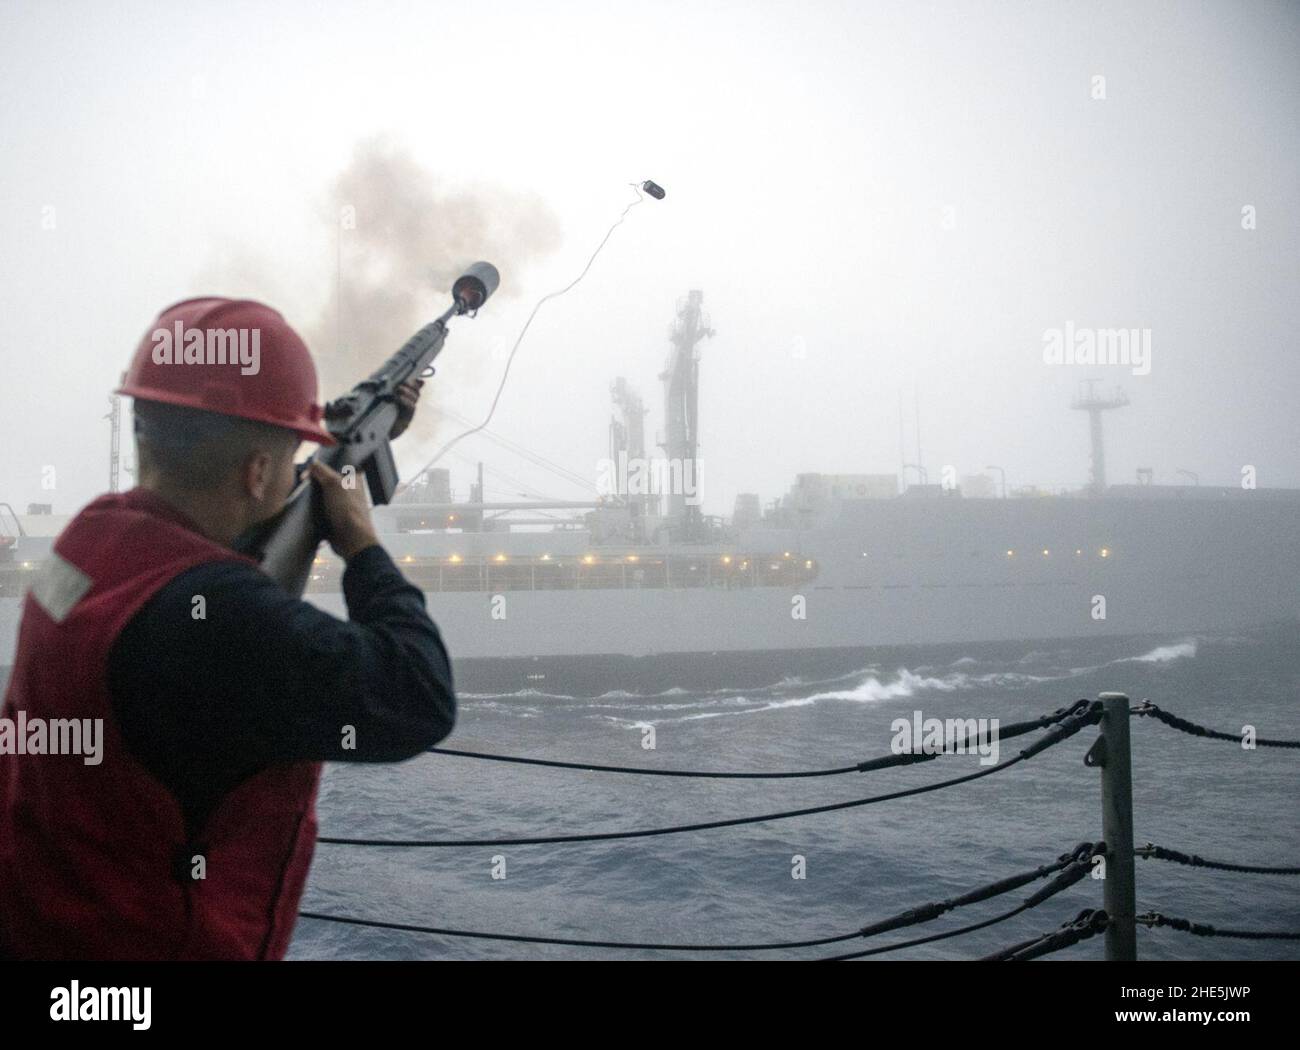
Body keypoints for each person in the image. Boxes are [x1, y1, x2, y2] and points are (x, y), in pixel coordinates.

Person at [0, 297, 456, 960]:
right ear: (256, 470)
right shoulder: (222, 616)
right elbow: (419, 695)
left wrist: (353, 449)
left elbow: (196, 566)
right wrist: (361, 543)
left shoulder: (84, 542)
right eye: (290, 449)